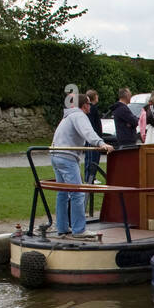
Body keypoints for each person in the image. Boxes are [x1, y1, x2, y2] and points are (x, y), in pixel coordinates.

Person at [50, 96, 113, 237]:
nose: (90, 108)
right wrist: (101, 143)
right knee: (78, 192)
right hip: (67, 156)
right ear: (85, 105)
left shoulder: (67, 116)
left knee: (63, 193)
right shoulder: (79, 115)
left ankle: (62, 227)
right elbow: (87, 132)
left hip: (55, 154)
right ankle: (79, 230)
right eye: (89, 105)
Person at [83, 89, 104, 185]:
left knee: (92, 157)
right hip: (92, 137)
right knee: (92, 158)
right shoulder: (92, 108)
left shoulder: (93, 108)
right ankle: (89, 177)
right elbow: (92, 124)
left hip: (94, 136)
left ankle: (91, 177)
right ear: (94, 97)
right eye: (97, 95)